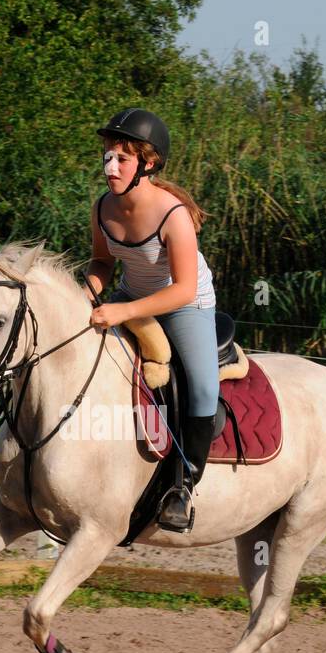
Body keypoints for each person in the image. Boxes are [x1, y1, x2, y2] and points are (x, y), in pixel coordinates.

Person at [84, 107, 219, 533]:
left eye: (121, 158)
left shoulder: (172, 214)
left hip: (185, 303)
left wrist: (122, 310)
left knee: (201, 386)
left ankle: (184, 484)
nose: (110, 166)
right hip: (133, 296)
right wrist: (87, 291)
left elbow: (181, 288)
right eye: (108, 156)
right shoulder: (102, 207)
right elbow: (102, 262)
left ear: (149, 163)